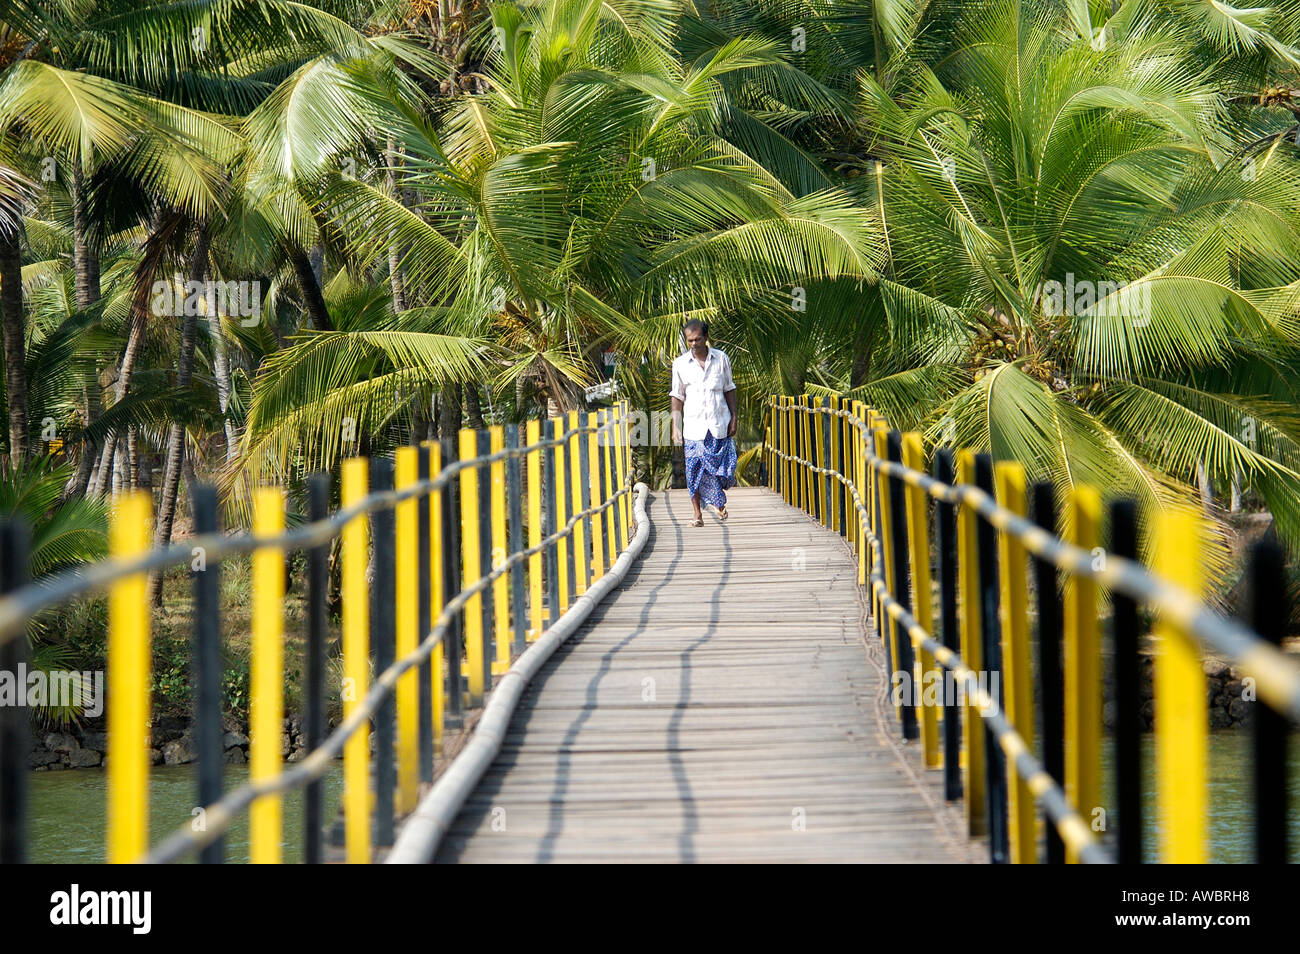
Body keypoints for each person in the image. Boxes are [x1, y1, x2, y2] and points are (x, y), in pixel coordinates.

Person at [669, 320, 738, 527]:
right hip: (693, 426)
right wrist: (675, 425)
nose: (694, 343)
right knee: (694, 470)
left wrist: (734, 416)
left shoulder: (721, 359)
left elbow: (729, 388)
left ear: (706, 337)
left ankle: (717, 499)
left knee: (722, 469)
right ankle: (697, 514)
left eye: (698, 339)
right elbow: (677, 396)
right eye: (690, 340)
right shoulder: (680, 364)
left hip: (719, 423)